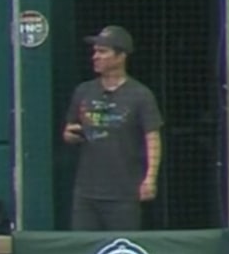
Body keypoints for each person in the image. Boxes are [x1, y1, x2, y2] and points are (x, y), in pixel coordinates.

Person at [63, 25, 162, 232]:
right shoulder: (83, 91)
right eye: (94, 52)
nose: (95, 57)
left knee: (120, 246)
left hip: (124, 193)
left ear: (121, 56)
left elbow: (152, 137)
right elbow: (69, 129)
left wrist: (150, 179)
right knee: (83, 245)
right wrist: (70, 135)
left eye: (102, 51)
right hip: (86, 193)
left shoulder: (140, 95)